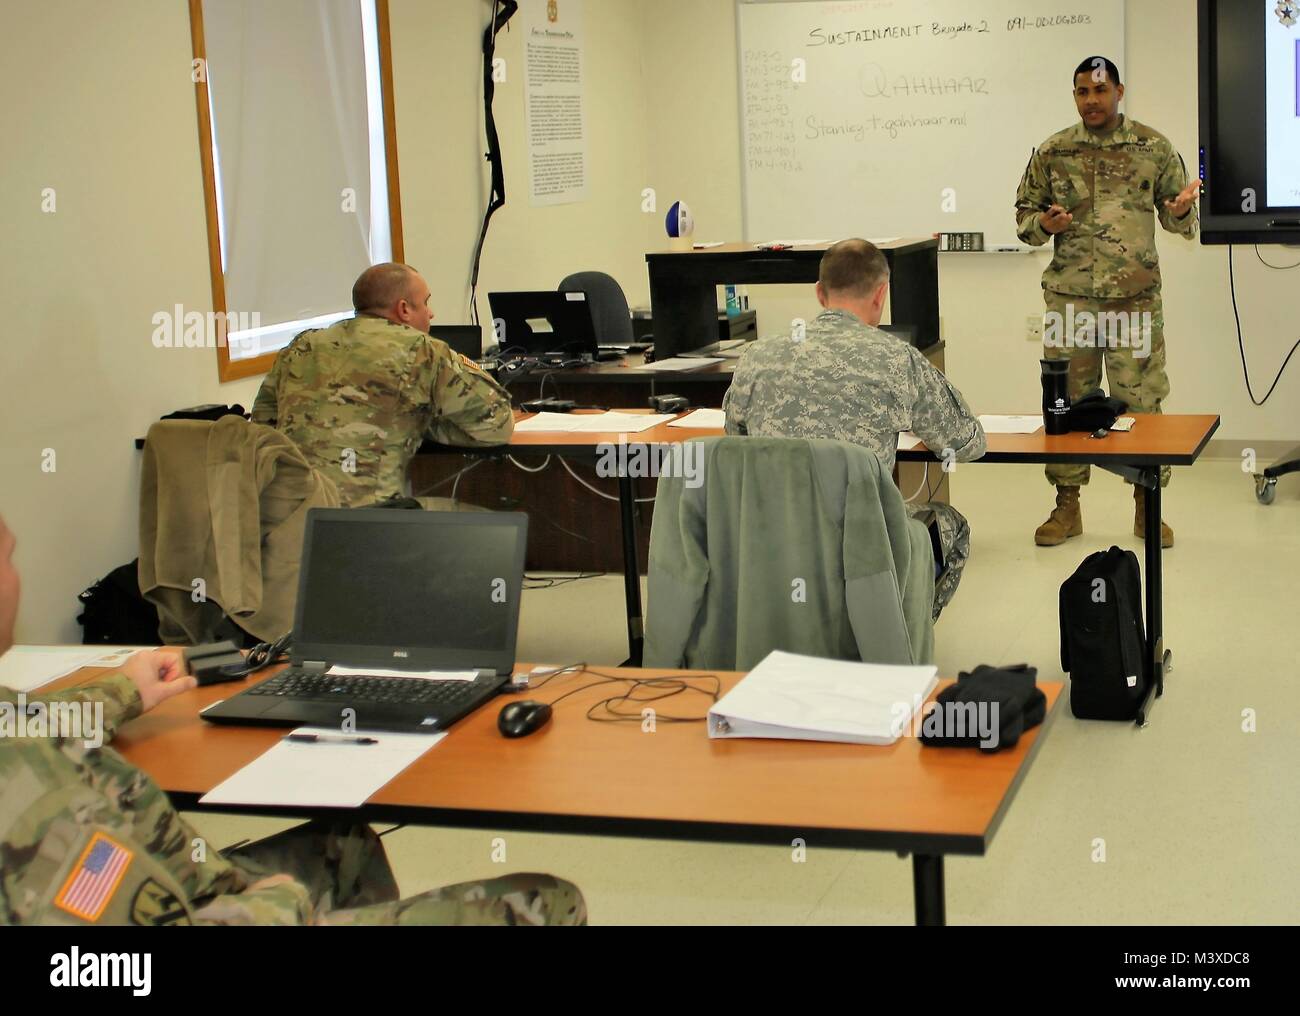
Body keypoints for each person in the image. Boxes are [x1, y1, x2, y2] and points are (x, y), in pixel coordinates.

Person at [0, 513, 585, 925]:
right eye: (7, 557)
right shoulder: (29, 805)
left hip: (182, 875)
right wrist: (282, 902)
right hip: (223, 911)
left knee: (345, 839)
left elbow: (24, 725)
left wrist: (122, 691)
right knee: (548, 900)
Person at [722, 239, 986, 618]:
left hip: (771, 540)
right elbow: (966, 442)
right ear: (881, 294)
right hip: (863, 546)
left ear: (819, 293)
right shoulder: (897, 360)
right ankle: (894, 634)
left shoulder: (757, 356)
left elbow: (735, 440)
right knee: (952, 526)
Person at [1016, 56, 1200, 548]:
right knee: (1065, 404)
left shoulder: (1154, 148)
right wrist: (1043, 225)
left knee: (1142, 402)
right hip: (1069, 301)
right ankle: (1067, 506)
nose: (1091, 100)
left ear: (1119, 91)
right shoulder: (1053, 151)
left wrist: (1181, 211)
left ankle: (1146, 505)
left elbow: (1179, 218)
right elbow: (1025, 219)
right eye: (1082, 92)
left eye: (1100, 90)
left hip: (1133, 302)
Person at [251, 263, 514, 507]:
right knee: (485, 519)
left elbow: (263, 424)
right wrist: (420, 423)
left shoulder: (302, 346)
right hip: (366, 516)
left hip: (286, 514)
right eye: (426, 302)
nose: (431, 313)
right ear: (404, 309)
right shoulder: (422, 350)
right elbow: (496, 425)